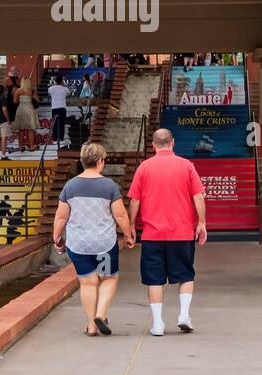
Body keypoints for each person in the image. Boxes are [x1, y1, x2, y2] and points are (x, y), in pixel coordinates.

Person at [128, 128, 206, 336]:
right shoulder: (186, 166)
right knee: (186, 275)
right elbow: (198, 196)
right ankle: (183, 315)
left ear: (153, 145)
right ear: (173, 143)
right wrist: (202, 223)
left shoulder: (144, 167)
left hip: (153, 235)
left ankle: (158, 324)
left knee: (155, 279)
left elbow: (134, 199)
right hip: (181, 233)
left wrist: (130, 227)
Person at [54, 142, 133, 336]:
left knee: (87, 283)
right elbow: (121, 215)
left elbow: (61, 216)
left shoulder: (70, 186)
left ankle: (91, 325)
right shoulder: (109, 186)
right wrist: (128, 234)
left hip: (79, 245)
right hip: (103, 245)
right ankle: (101, 313)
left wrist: (56, 237)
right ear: (100, 161)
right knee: (108, 278)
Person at [12, 76, 38, 151]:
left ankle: (20, 147)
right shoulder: (31, 90)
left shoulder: (18, 91)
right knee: (30, 128)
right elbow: (37, 100)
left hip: (21, 109)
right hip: (30, 108)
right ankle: (32, 147)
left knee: (21, 129)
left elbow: (15, 101)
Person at [47, 75, 70, 149]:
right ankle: (61, 138)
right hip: (62, 107)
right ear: (62, 81)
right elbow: (68, 94)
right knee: (62, 124)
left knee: (54, 124)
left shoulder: (50, 88)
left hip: (54, 108)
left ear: (55, 81)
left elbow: (49, 94)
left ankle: (54, 139)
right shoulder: (65, 89)